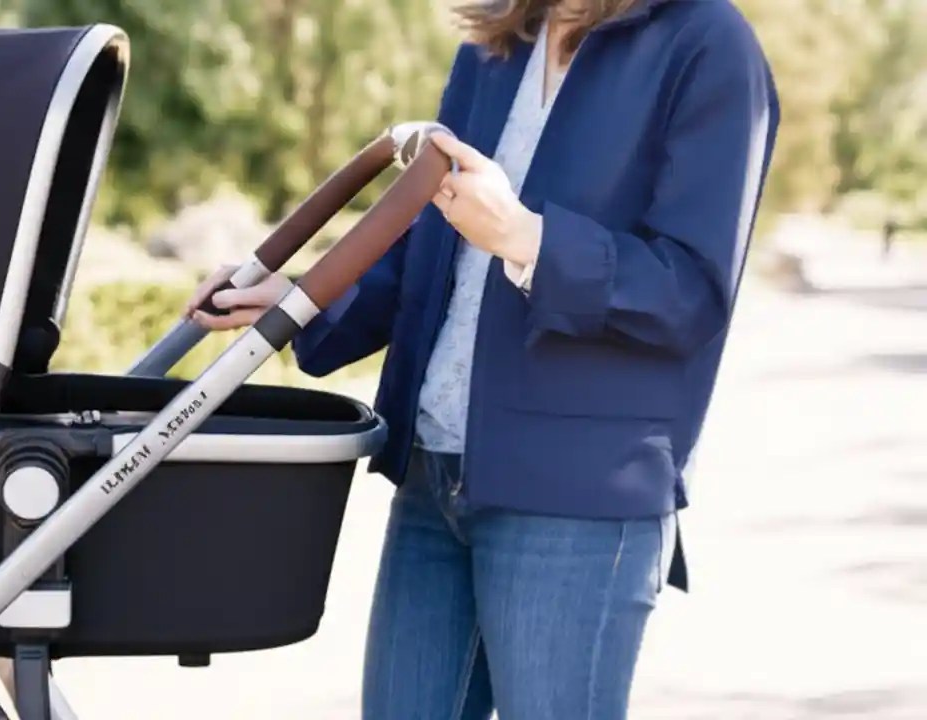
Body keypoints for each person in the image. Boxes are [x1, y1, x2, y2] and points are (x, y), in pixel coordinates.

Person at [187, 1, 779, 717]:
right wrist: (302, 299)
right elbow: (435, 248)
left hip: (576, 498)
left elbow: (691, 292)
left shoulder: (707, 43)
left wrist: (531, 240)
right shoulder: (497, 43)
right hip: (433, 475)